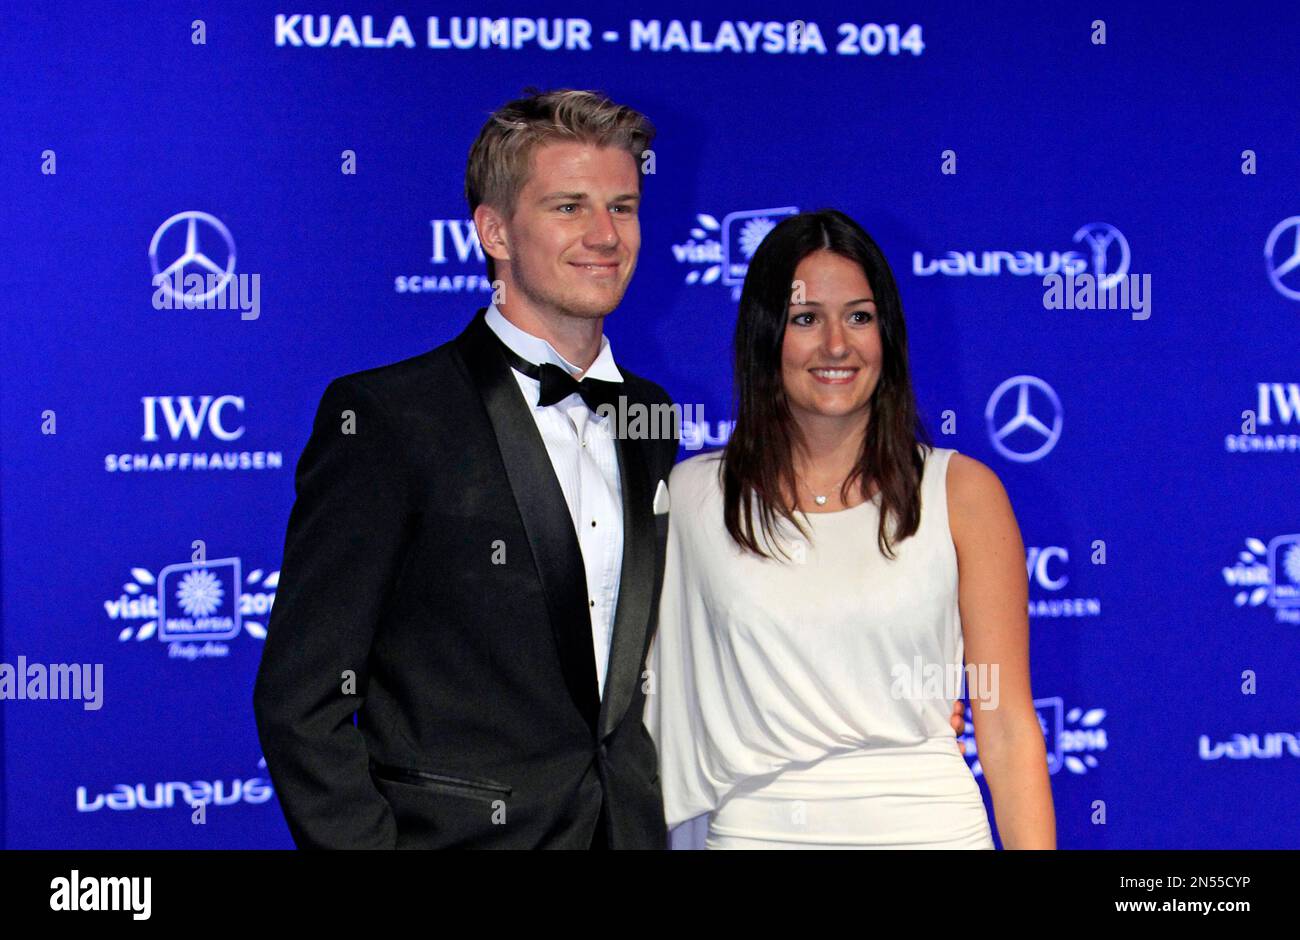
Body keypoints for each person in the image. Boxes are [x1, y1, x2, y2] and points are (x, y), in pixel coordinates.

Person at [253, 89, 678, 848]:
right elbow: (300, 699)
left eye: (623, 206)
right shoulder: (387, 418)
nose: (605, 235)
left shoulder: (649, 415)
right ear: (494, 231)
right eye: (569, 207)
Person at [645, 209, 1056, 849]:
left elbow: (1006, 727)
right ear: (765, 334)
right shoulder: (694, 499)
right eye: (806, 318)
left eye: (859, 317)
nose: (837, 345)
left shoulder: (963, 494)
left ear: (887, 333)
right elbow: (645, 700)